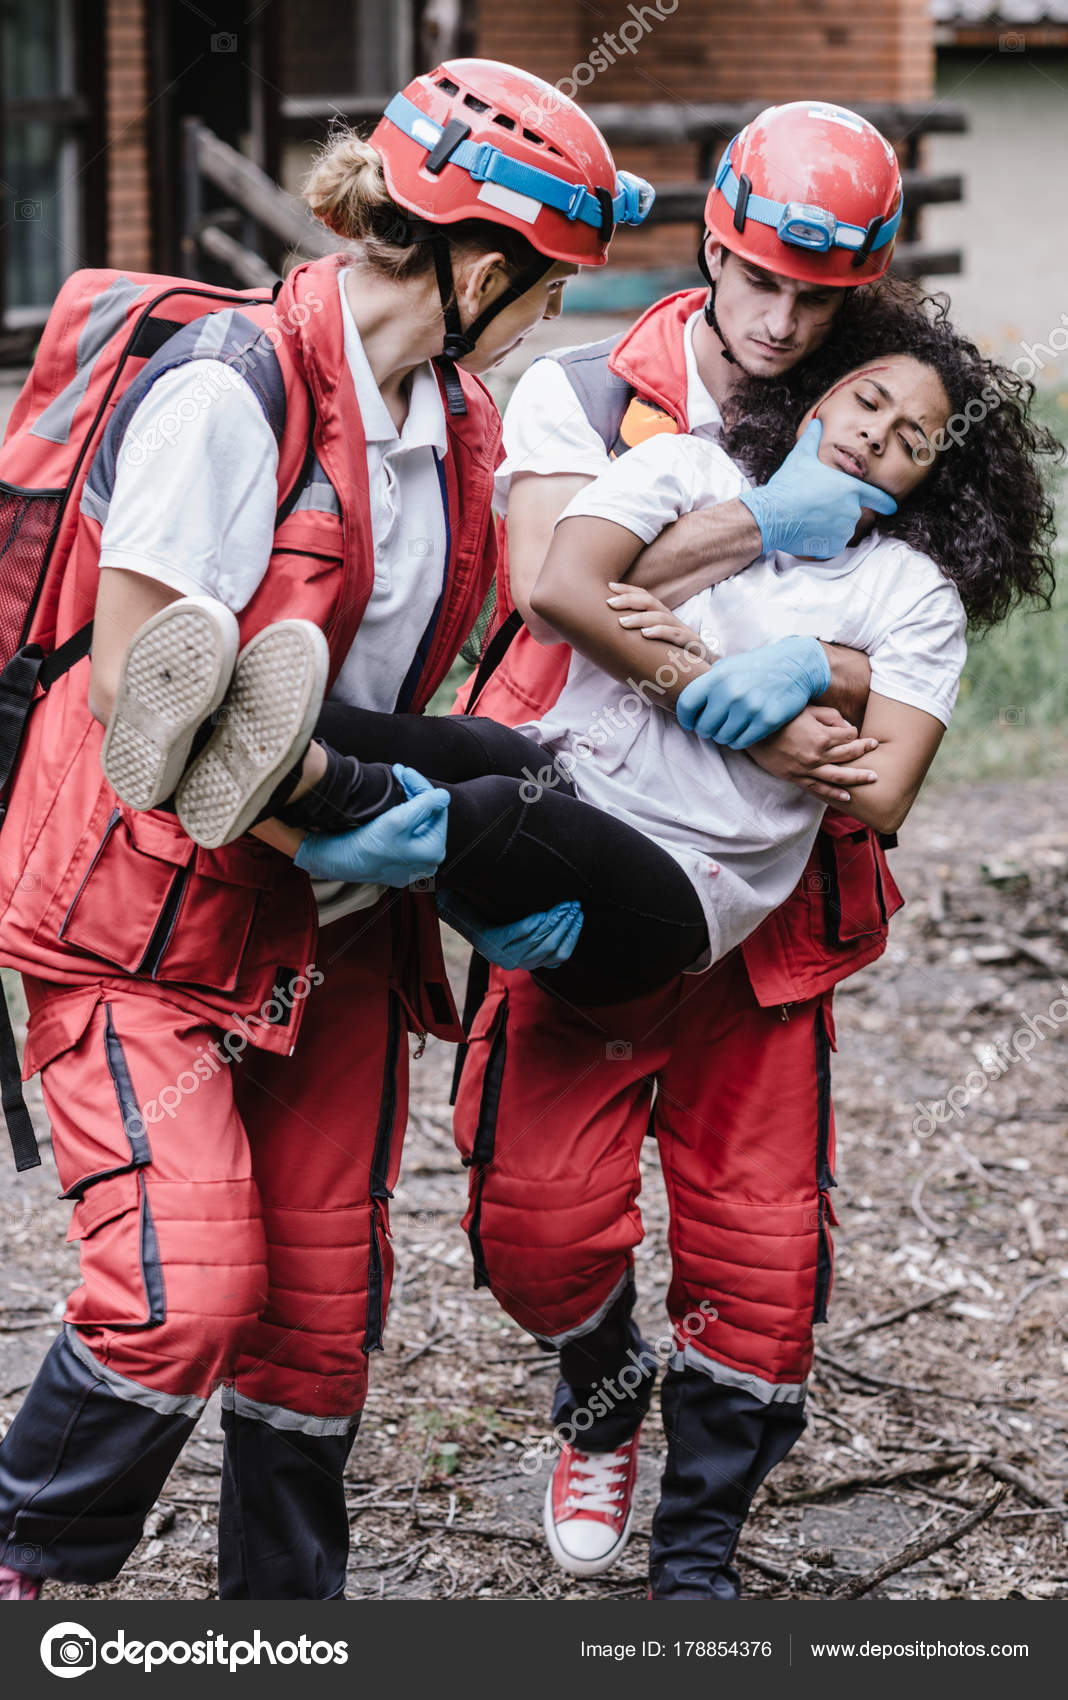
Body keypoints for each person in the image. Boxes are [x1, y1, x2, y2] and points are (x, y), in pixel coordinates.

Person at [0, 59, 655, 1602]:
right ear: (486, 269)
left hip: (333, 938)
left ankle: (285, 1631)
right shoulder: (230, 393)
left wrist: (472, 859)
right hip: (142, 914)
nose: (548, 313)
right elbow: (142, 695)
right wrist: (333, 840)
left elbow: (443, 694)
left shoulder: (467, 433)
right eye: (549, 283)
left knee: (314, 1317)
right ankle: (26, 1562)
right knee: (182, 1295)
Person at [449, 102, 1061, 1598]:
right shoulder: (586, 394)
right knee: (537, 1226)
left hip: (771, 911)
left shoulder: (873, 398)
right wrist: (747, 562)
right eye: (759, 280)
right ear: (713, 240)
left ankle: (699, 1564)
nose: (783, 325)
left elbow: (905, 658)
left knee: (764, 1250)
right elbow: (552, 588)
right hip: (594, 854)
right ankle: (599, 1384)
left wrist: (831, 685)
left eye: (817, 296)